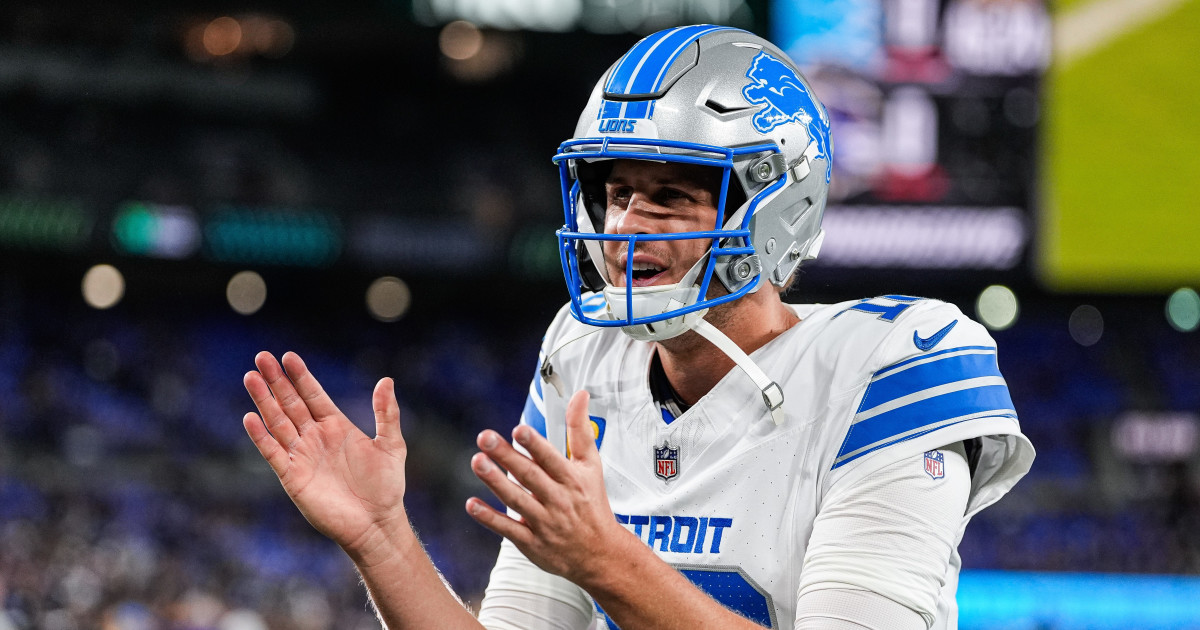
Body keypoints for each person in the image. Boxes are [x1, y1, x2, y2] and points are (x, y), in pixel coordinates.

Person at [242, 25, 1034, 629]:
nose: (625, 226)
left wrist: (608, 561)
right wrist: (382, 537)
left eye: (671, 196)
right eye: (616, 192)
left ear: (776, 209)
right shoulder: (585, 359)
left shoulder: (896, 364)